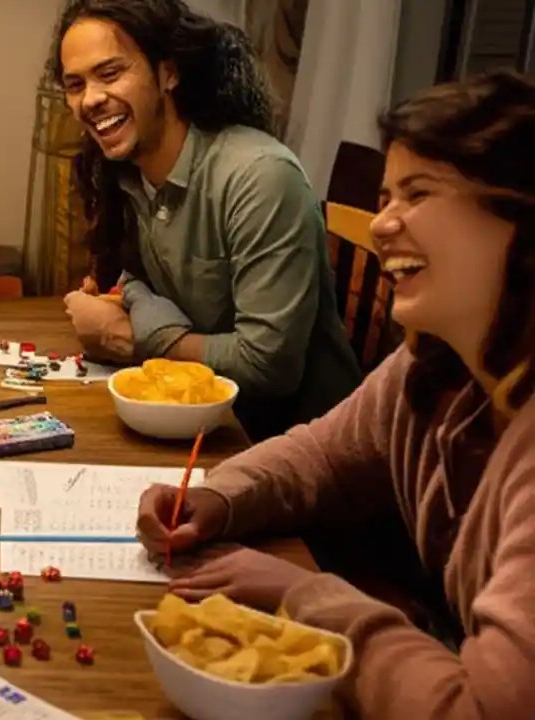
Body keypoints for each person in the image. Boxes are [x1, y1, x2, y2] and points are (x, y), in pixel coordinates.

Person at [136, 70, 535, 719]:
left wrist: (310, 597)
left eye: (417, 193)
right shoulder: (434, 368)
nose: (381, 225)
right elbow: (320, 458)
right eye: (384, 197)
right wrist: (215, 499)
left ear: (518, 217)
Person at [54, 0, 361, 440]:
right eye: (74, 84)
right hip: (194, 424)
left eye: (110, 73)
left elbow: (267, 367)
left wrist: (138, 335)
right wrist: (133, 301)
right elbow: (137, 283)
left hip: (294, 449)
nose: (91, 99)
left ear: (169, 73)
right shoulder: (126, 172)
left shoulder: (259, 176)